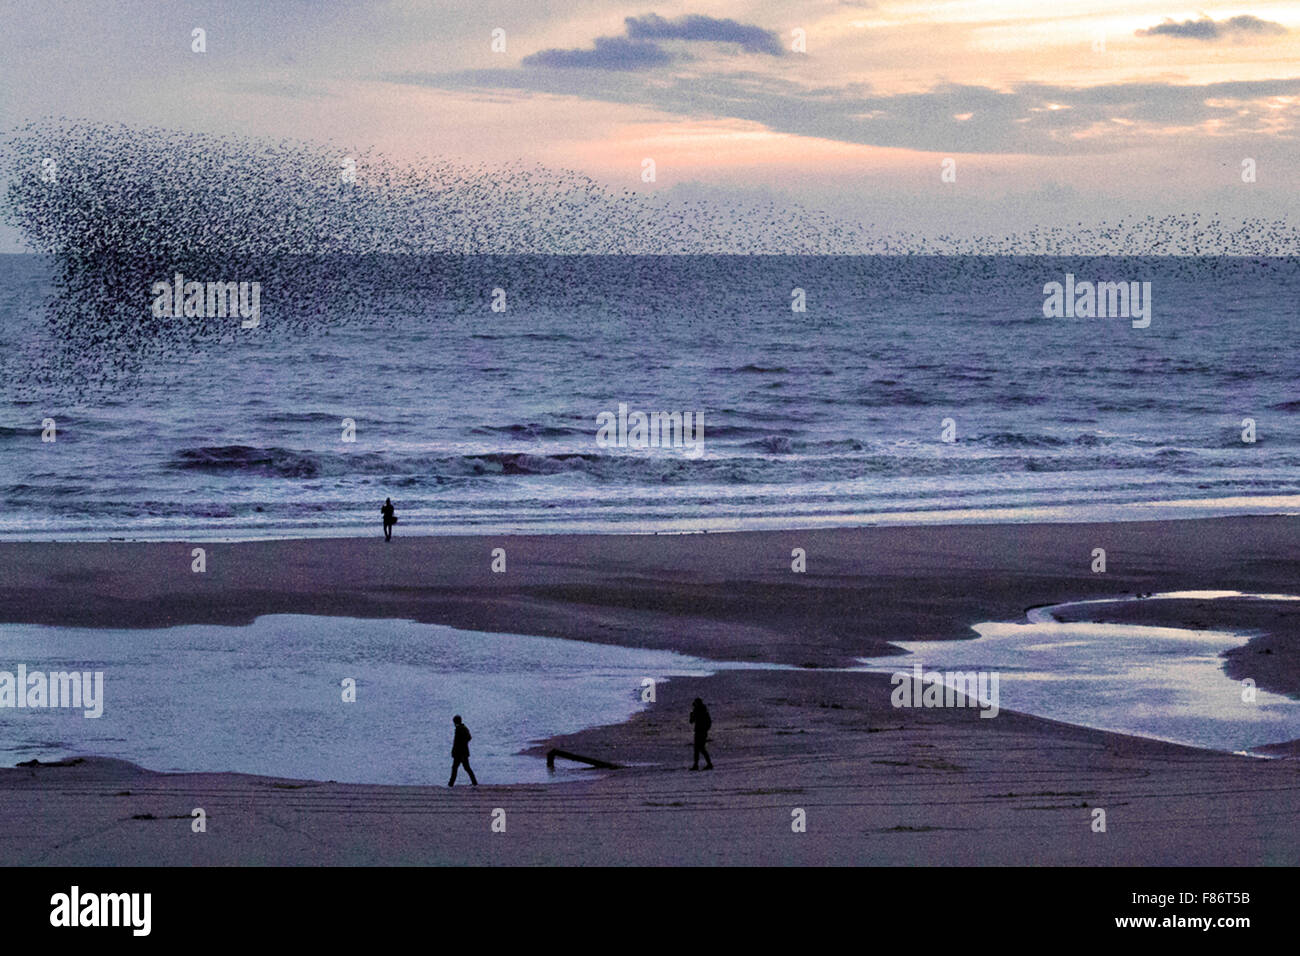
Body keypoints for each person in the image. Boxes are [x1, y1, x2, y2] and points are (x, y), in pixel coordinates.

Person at [448, 714, 478, 787]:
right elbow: (469, 738)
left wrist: (454, 751)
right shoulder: (464, 728)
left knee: (455, 768)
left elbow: (456, 743)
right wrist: (464, 743)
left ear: (455, 722)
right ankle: (474, 782)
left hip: (459, 753)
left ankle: (451, 784)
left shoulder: (459, 729)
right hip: (464, 752)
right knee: (467, 768)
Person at [689, 697, 713, 771]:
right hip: (700, 731)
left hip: (700, 731)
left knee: (700, 749)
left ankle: (707, 764)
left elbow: (691, 721)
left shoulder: (700, 711)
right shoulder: (703, 711)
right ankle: (699, 764)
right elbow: (691, 721)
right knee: (699, 749)